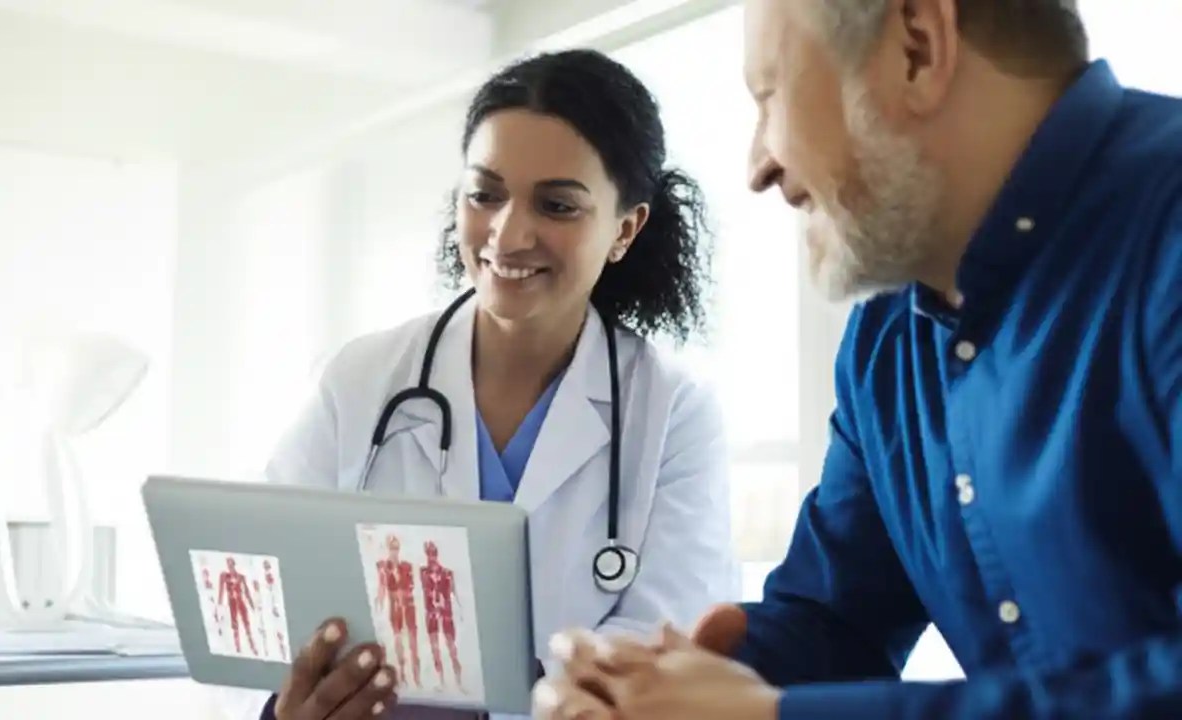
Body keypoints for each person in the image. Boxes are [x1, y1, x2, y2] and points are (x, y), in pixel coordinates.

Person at [536, 0, 1182, 718]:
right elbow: (836, 620)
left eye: (769, 94)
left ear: (917, 49)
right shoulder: (887, 340)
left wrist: (769, 717)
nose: (759, 166)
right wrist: (660, 683)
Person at [253, 48, 736, 720]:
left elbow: (664, 654)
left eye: (558, 205)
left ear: (625, 228)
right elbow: (265, 620)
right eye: (485, 194)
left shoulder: (673, 414)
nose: (507, 235)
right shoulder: (360, 381)